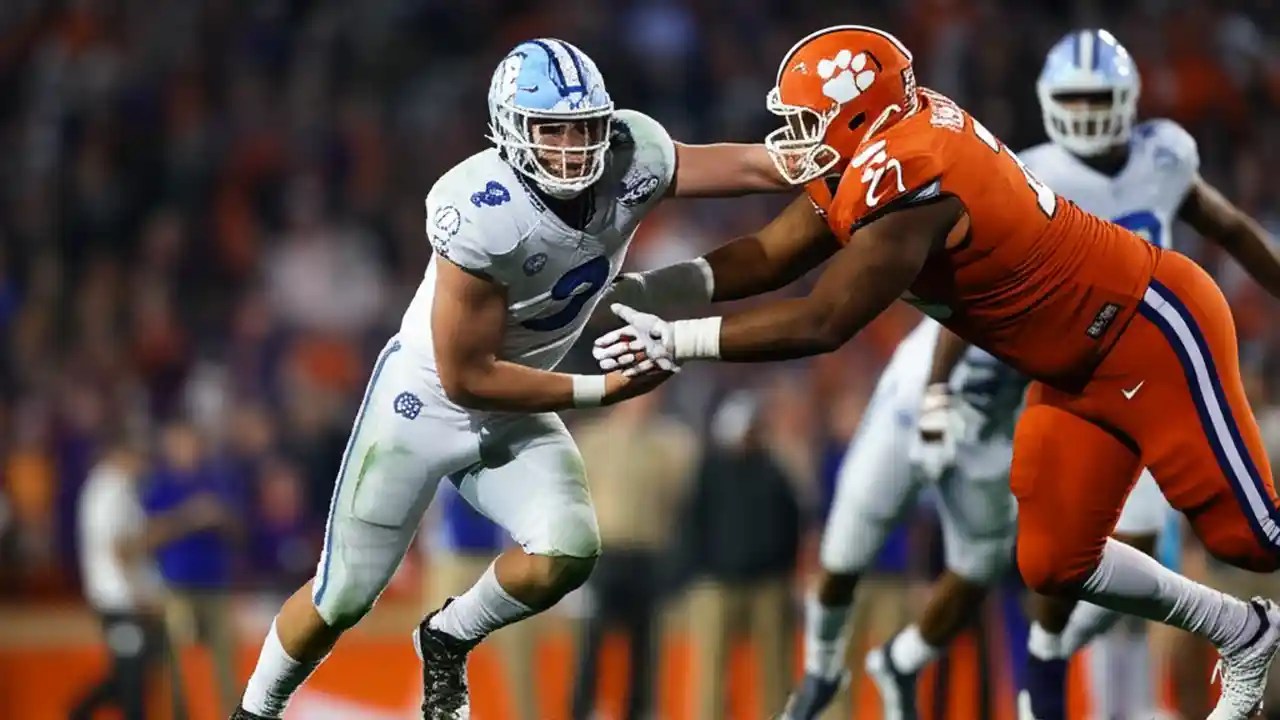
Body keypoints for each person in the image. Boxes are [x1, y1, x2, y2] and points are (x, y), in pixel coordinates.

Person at [592, 24, 1280, 720]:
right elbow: (774, 253)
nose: (793, 139)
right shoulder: (883, 143)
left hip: (1147, 332)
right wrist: (657, 290)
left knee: (1254, 541)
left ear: (860, 116)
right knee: (1054, 564)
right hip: (1070, 372)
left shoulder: (914, 171)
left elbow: (824, 320)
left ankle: (1247, 617)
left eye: (808, 121)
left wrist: (677, 341)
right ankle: (1244, 630)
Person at [231, 37, 792, 720]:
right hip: (428, 401)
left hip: (515, 394)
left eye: (585, 127)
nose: (573, 146)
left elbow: (746, 164)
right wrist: (599, 392)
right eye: (552, 129)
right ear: (508, 131)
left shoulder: (632, 152)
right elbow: (468, 379)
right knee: (342, 595)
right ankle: (255, 710)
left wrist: (817, 162)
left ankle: (447, 637)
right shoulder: (480, 209)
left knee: (570, 549)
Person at [1010, 28, 1280, 720]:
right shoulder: (1027, 171)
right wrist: (944, 384)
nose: (1090, 110)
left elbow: (1231, 229)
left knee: (1192, 546)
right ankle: (1055, 673)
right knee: (1059, 561)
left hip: (1156, 370)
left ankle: (1106, 686)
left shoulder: (1163, 155)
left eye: (1101, 96)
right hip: (1073, 376)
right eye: (1077, 96)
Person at [570, 385, 696, 720]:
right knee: (592, 643)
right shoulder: (593, 440)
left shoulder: (672, 444)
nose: (643, 400)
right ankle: (582, 710)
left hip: (647, 555)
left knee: (644, 645)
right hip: (603, 554)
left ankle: (637, 711)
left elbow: (681, 501)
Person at [74, 434, 220, 720]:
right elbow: (123, 549)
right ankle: (76, 713)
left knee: (137, 675)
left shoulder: (119, 488)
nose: (145, 465)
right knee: (132, 685)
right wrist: (185, 520)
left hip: (126, 599)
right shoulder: (109, 489)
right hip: (119, 601)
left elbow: (134, 541)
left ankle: (77, 713)